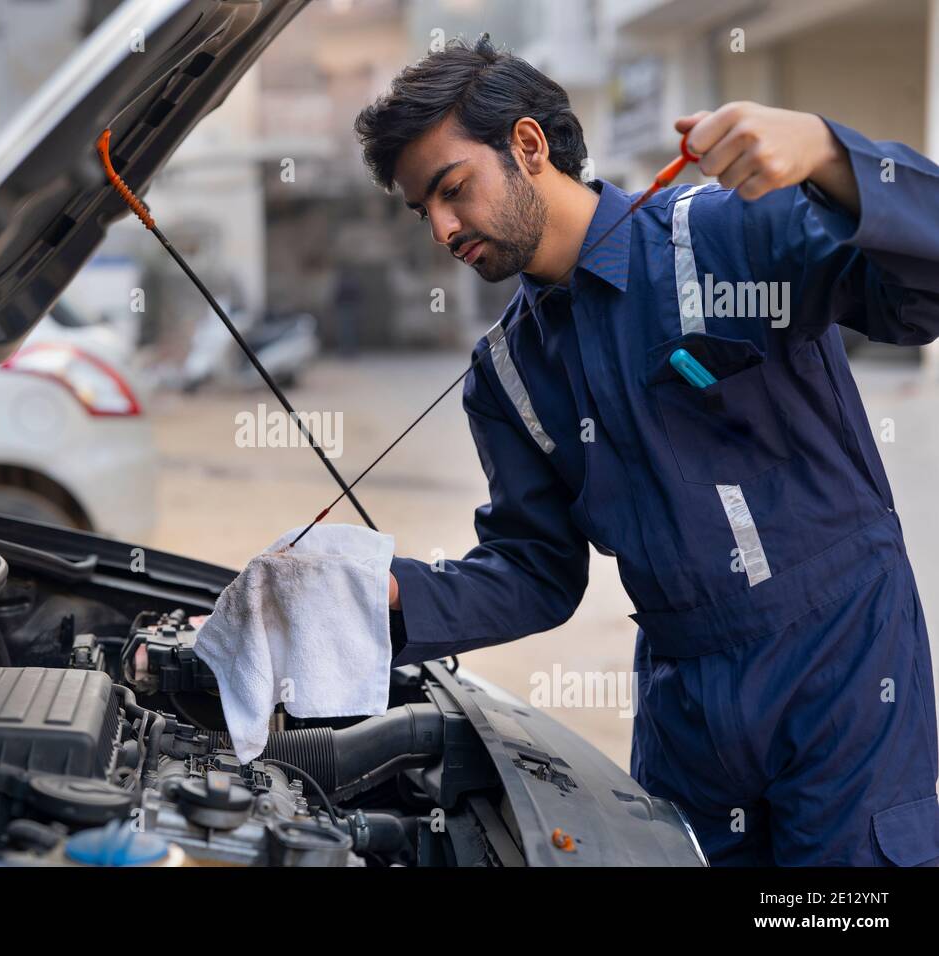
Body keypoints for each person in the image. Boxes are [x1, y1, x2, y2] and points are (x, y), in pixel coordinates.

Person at [335, 34, 939, 866]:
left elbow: (921, 295)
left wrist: (830, 155)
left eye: (451, 189)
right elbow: (535, 571)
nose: (441, 229)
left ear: (528, 145)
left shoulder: (724, 237)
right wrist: (383, 596)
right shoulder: (506, 374)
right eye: (423, 211)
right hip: (686, 711)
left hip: (844, 674)